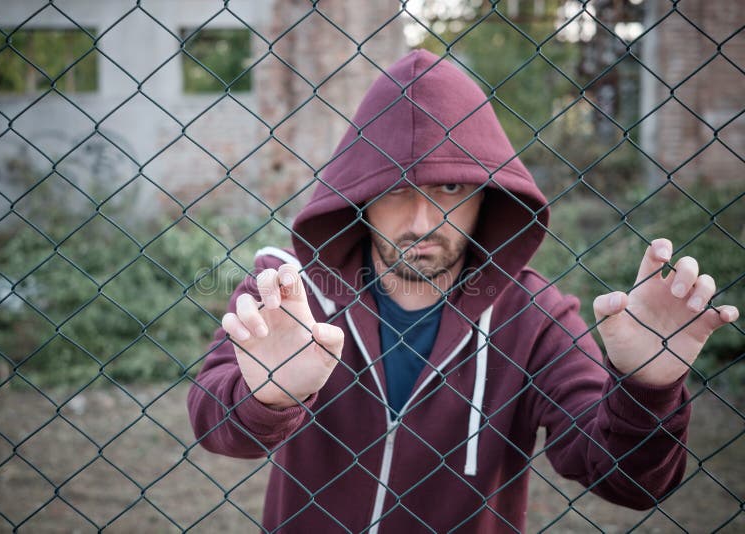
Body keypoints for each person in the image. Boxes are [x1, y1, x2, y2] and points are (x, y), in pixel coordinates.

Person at [187, 49, 738, 532]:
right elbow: (212, 422)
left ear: (488, 195)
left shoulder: (534, 315)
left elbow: (628, 482)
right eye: (397, 189)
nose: (423, 220)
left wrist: (648, 387)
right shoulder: (288, 289)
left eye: (449, 186)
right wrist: (269, 397)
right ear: (359, 194)